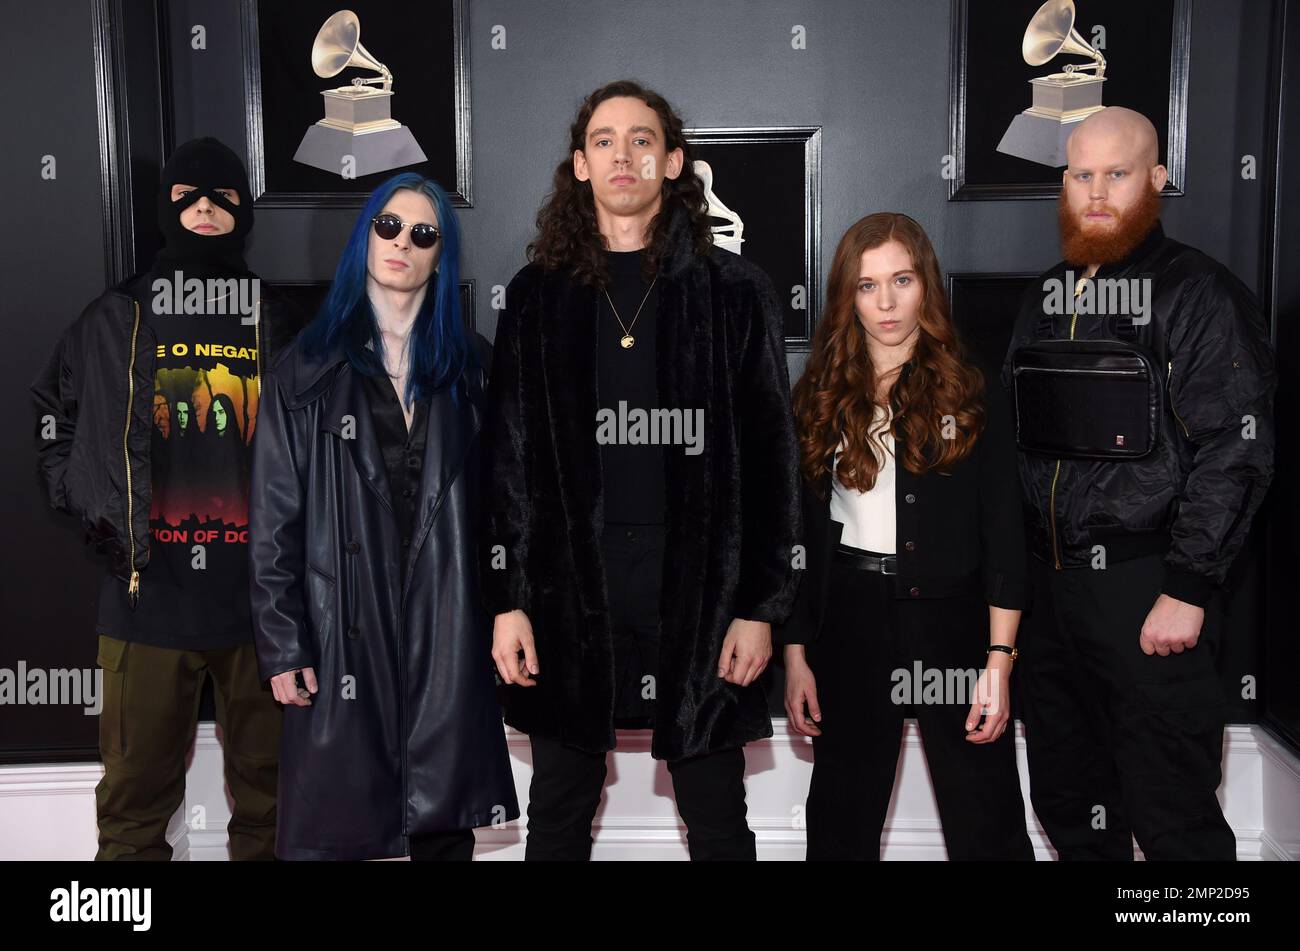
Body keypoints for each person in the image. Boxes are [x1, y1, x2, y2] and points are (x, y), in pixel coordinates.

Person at [480, 80, 801, 861]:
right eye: (603, 140)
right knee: (557, 810)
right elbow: (507, 463)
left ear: (674, 161)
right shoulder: (534, 297)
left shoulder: (735, 294)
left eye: (641, 139)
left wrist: (760, 607)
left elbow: (773, 463)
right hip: (568, 589)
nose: (623, 154)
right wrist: (509, 602)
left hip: (699, 590)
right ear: (580, 167)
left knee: (717, 812)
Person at [1003, 107, 1276, 860]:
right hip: (1054, 597)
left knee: (1172, 815)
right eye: (1081, 174)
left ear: (1155, 178)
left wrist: (1187, 585)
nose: (1096, 192)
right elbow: (1017, 445)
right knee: (1068, 798)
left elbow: (1237, 448)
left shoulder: (1198, 292)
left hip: (1148, 588)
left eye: (1116, 174)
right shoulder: (1047, 294)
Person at [32, 137, 296, 860]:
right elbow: (52, 414)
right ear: (165, 208)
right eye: (188, 197)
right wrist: (91, 508)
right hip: (146, 602)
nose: (205, 210)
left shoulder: (277, 318)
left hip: (260, 609)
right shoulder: (115, 314)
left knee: (275, 806)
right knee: (132, 809)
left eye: (222, 198)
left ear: (244, 212)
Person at [249, 172, 519, 861]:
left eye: (423, 233)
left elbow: (506, 509)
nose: (402, 242)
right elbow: (274, 518)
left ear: (441, 254)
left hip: (447, 632)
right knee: (334, 827)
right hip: (342, 632)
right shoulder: (302, 369)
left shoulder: (475, 371)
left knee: (444, 820)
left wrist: (508, 610)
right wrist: (283, 644)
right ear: (364, 237)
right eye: (388, 226)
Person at [781, 213, 1034, 860]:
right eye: (867, 286)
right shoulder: (817, 392)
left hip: (952, 621)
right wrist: (795, 652)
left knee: (986, 814)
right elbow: (796, 538)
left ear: (927, 285)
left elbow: (1004, 530)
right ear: (847, 295)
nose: (886, 302)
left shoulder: (972, 388)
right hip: (849, 621)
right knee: (841, 815)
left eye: (902, 279)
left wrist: (998, 662)